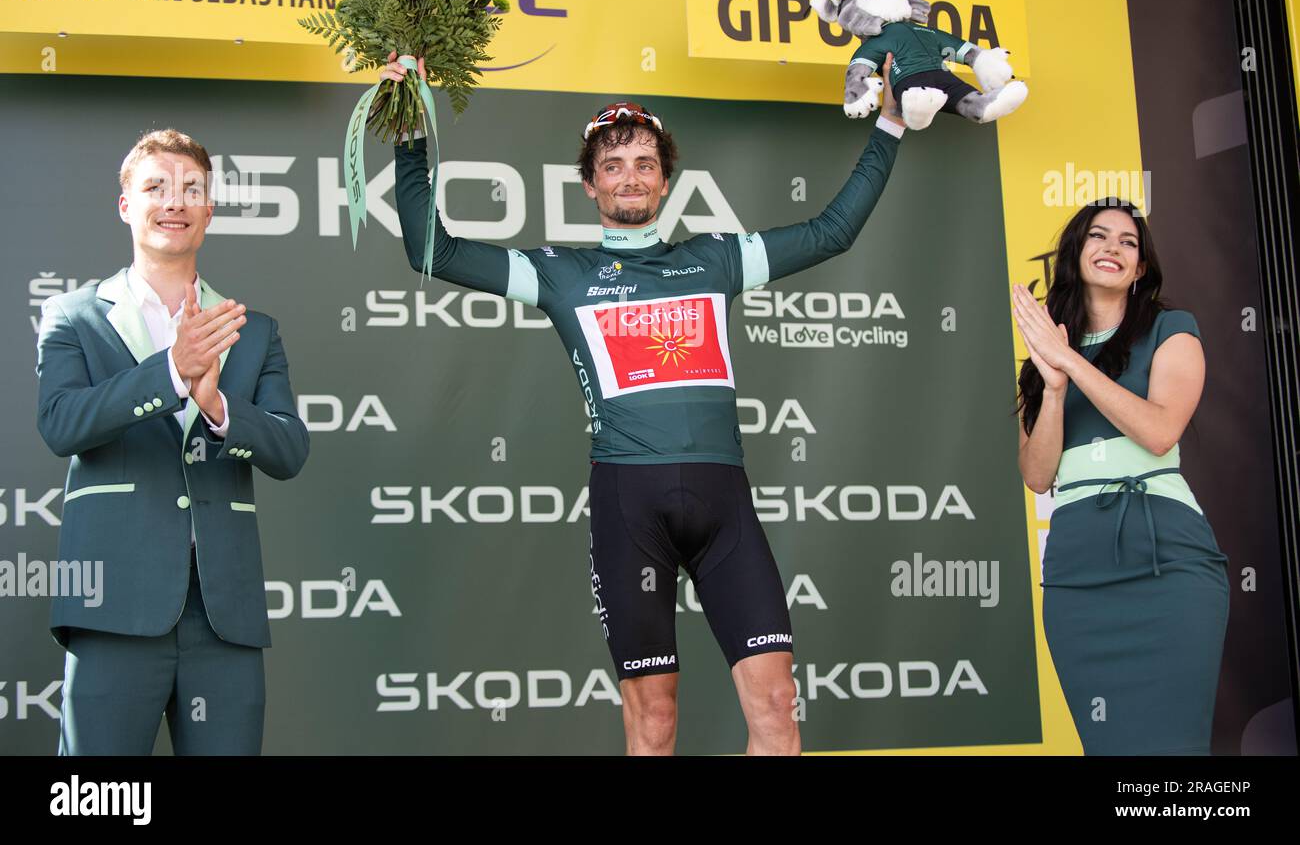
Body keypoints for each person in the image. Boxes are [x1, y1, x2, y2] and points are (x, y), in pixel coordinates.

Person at [386, 51, 907, 755]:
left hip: (725, 506)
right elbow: (434, 249)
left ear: (664, 181)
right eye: (612, 164)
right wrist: (409, 132)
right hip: (630, 507)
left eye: (643, 162)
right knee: (654, 722)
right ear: (590, 186)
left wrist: (893, 123)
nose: (629, 175)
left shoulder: (715, 258)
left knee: (779, 711)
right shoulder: (560, 274)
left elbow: (831, 232)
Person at [35, 128, 310, 754]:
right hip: (112, 607)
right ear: (126, 205)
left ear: (209, 210)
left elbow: (290, 450)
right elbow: (61, 424)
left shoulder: (252, 330)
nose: (175, 202)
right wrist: (168, 373)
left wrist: (213, 402)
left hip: (222, 617)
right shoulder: (73, 316)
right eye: (155, 187)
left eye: (191, 189)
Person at [1012, 198, 1229, 755]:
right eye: (1098, 236)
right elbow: (1038, 477)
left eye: (1128, 242)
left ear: (1140, 269)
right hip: (1078, 574)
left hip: (1169, 563)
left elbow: (1159, 433)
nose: (1112, 247)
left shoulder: (1172, 328)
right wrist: (1054, 389)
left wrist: (1070, 364)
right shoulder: (1041, 364)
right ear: (1075, 253)